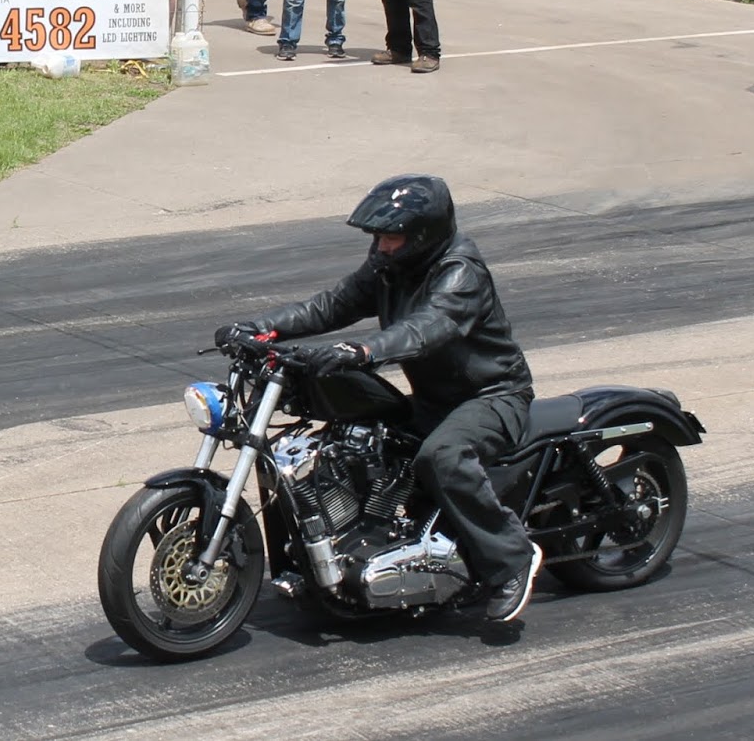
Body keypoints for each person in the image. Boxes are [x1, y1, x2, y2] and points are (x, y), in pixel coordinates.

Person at [216, 174, 544, 622]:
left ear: (423, 235)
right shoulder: (390, 267)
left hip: (492, 396)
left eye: (391, 236)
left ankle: (512, 561)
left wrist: (364, 350)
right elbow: (331, 305)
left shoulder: (460, 272)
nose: (382, 246)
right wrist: (259, 327)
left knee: (442, 457)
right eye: (379, 236)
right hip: (434, 398)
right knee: (354, 444)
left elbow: (428, 327)